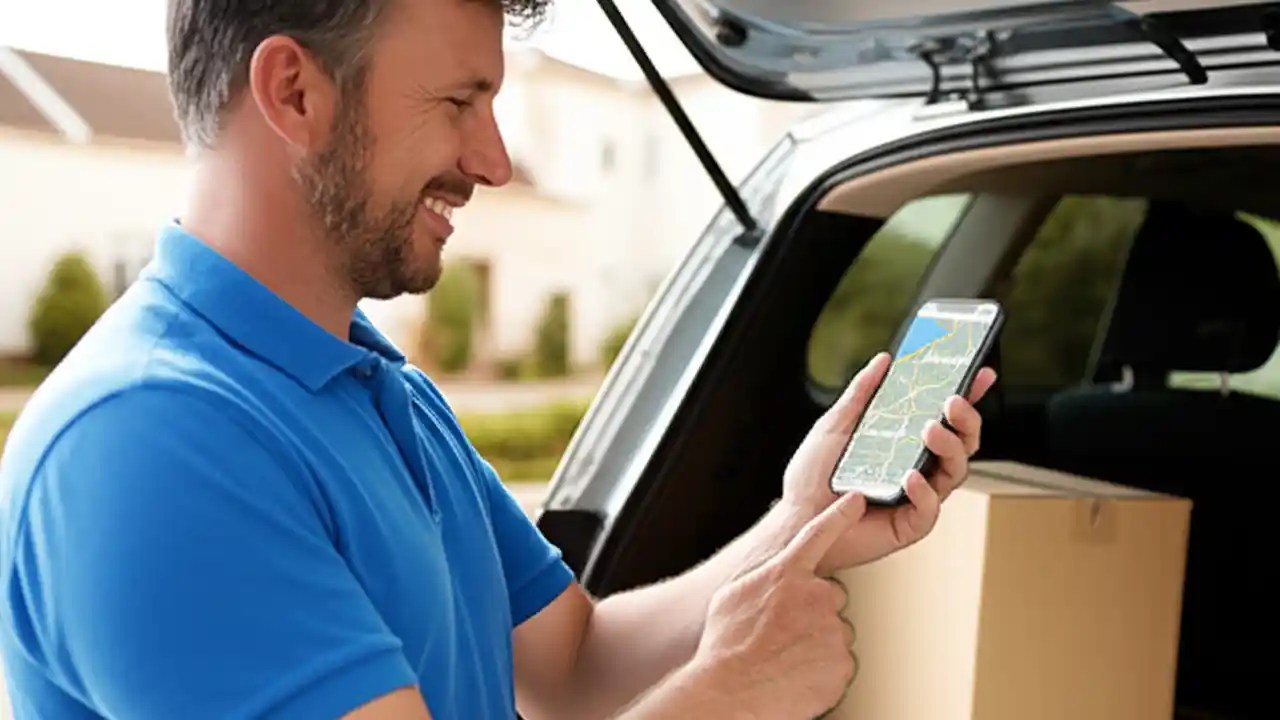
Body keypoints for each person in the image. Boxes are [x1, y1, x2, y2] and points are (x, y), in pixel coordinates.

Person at [0, 1, 996, 718]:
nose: (494, 161)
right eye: (457, 102)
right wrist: (725, 696)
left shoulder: (377, 389)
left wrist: (803, 519)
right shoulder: (150, 443)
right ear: (295, 92)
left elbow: (576, 666)